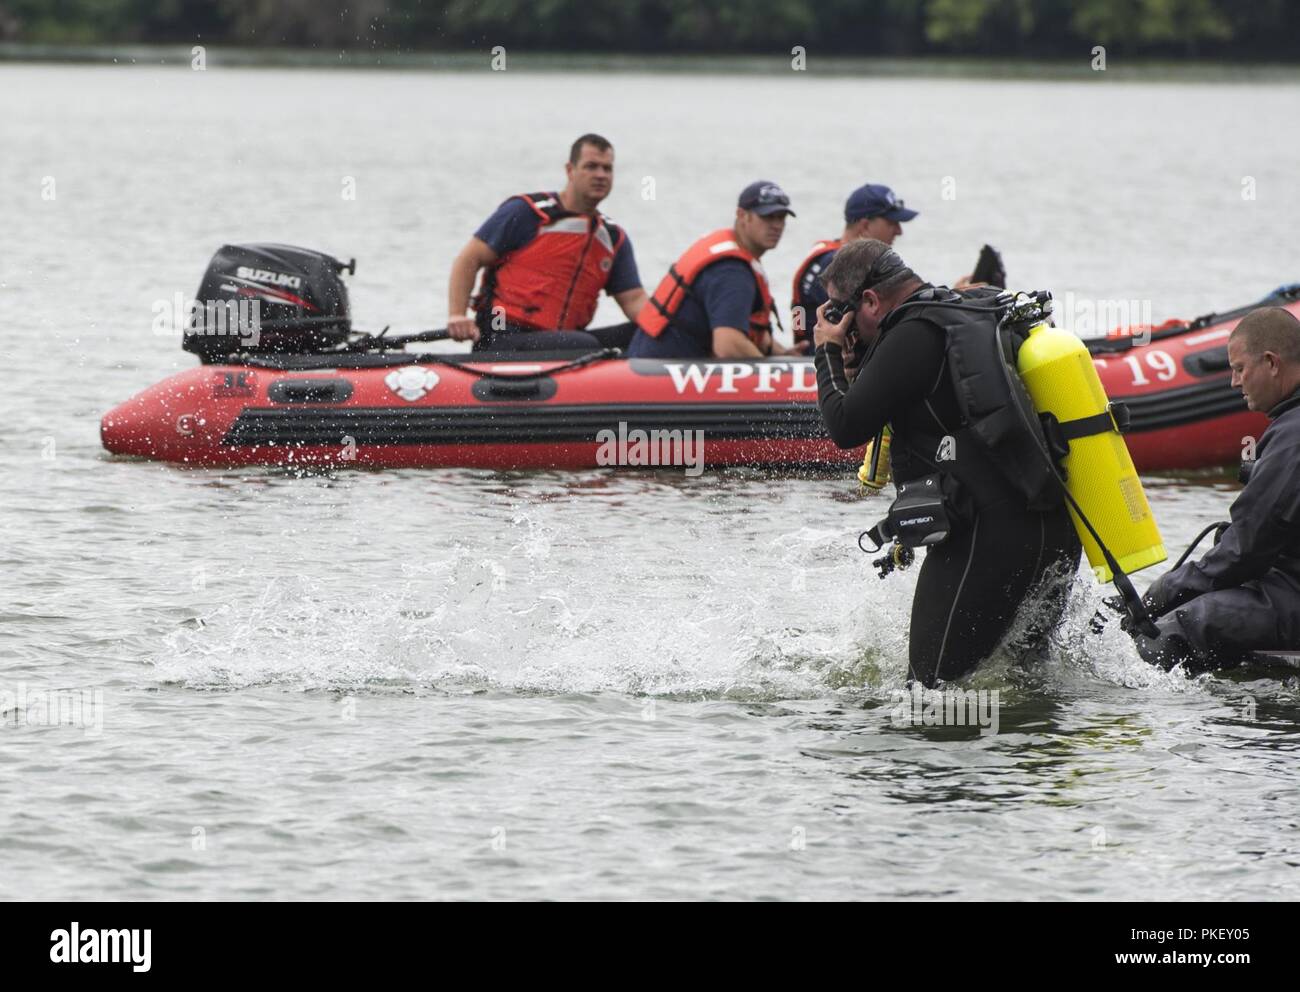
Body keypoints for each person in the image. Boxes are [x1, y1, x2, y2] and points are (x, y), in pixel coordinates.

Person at [812, 239, 1081, 687]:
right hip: (1055, 526)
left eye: (845, 316)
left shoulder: (912, 334)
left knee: (929, 688)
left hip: (989, 537)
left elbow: (845, 426)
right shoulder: (967, 313)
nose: (848, 332)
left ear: (872, 301)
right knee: (1028, 686)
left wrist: (825, 352)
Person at [1134, 307, 1300, 671]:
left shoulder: (1292, 437)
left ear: (1271, 363)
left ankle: (1127, 706)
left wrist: (1159, 594)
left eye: (1240, 369)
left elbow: (1245, 551)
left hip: (1293, 596)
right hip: (1287, 582)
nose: (1233, 383)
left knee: (1182, 626)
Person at [446, 133, 648, 351]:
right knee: (581, 343)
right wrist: (457, 315)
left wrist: (673, 325)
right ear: (570, 170)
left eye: (607, 169)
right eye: (591, 166)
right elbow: (469, 259)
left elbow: (634, 299)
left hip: (564, 343)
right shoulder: (526, 212)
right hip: (503, 335)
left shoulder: (612, 238)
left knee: (644, 332)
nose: (600, 175)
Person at [627, 181, 805, 360]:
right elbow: (728, 345)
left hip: (651, 359)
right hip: (661, 371)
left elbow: (746, 330)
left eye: (781, 217)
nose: (776, 225)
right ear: (742, 215)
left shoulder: (735, 259)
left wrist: (784, 355)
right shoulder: (732, 272)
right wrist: (775, 375)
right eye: (767, 217)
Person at [791, 184, 918, 347]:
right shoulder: (840, 265)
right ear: (865, 226)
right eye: (892, 222)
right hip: (822, 357)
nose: (899, 231)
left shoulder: (828, 256)